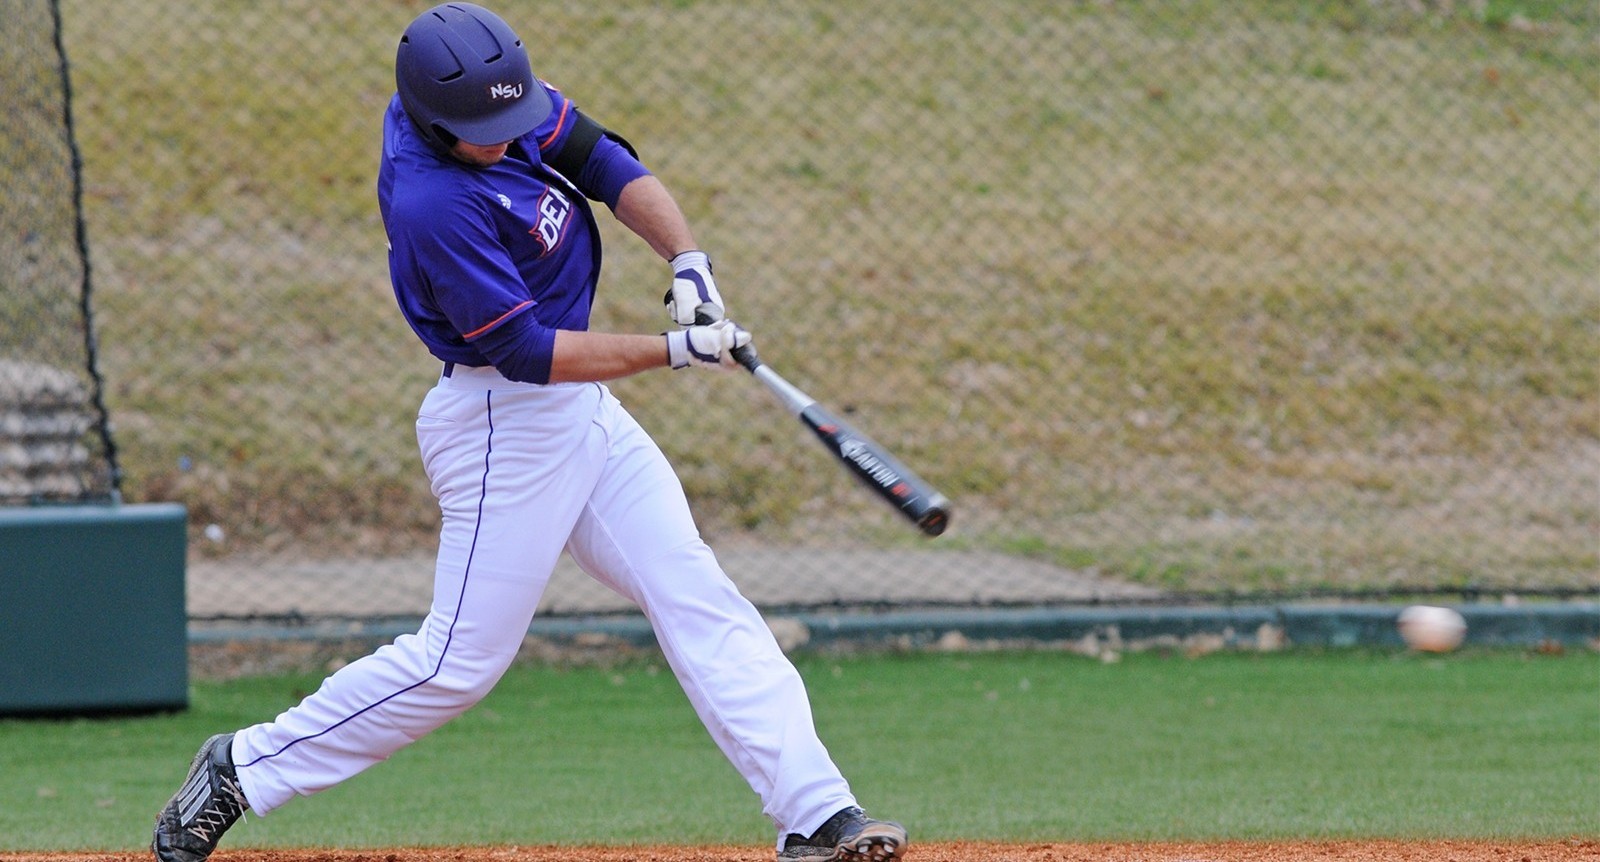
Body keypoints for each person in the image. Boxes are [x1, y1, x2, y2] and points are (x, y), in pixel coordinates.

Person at [150, 4, 908, 862]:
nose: (506, 140)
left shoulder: (489, 99)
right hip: (502, 422)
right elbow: (528, 353)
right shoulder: (435, 203)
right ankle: (243, 767)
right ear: (435, 122)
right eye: (484, 133)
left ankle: (816, 813)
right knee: (455, 664)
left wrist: (688, 261)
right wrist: (674, 350)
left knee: (694, 592)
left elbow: (601, 159)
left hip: (579, 411)